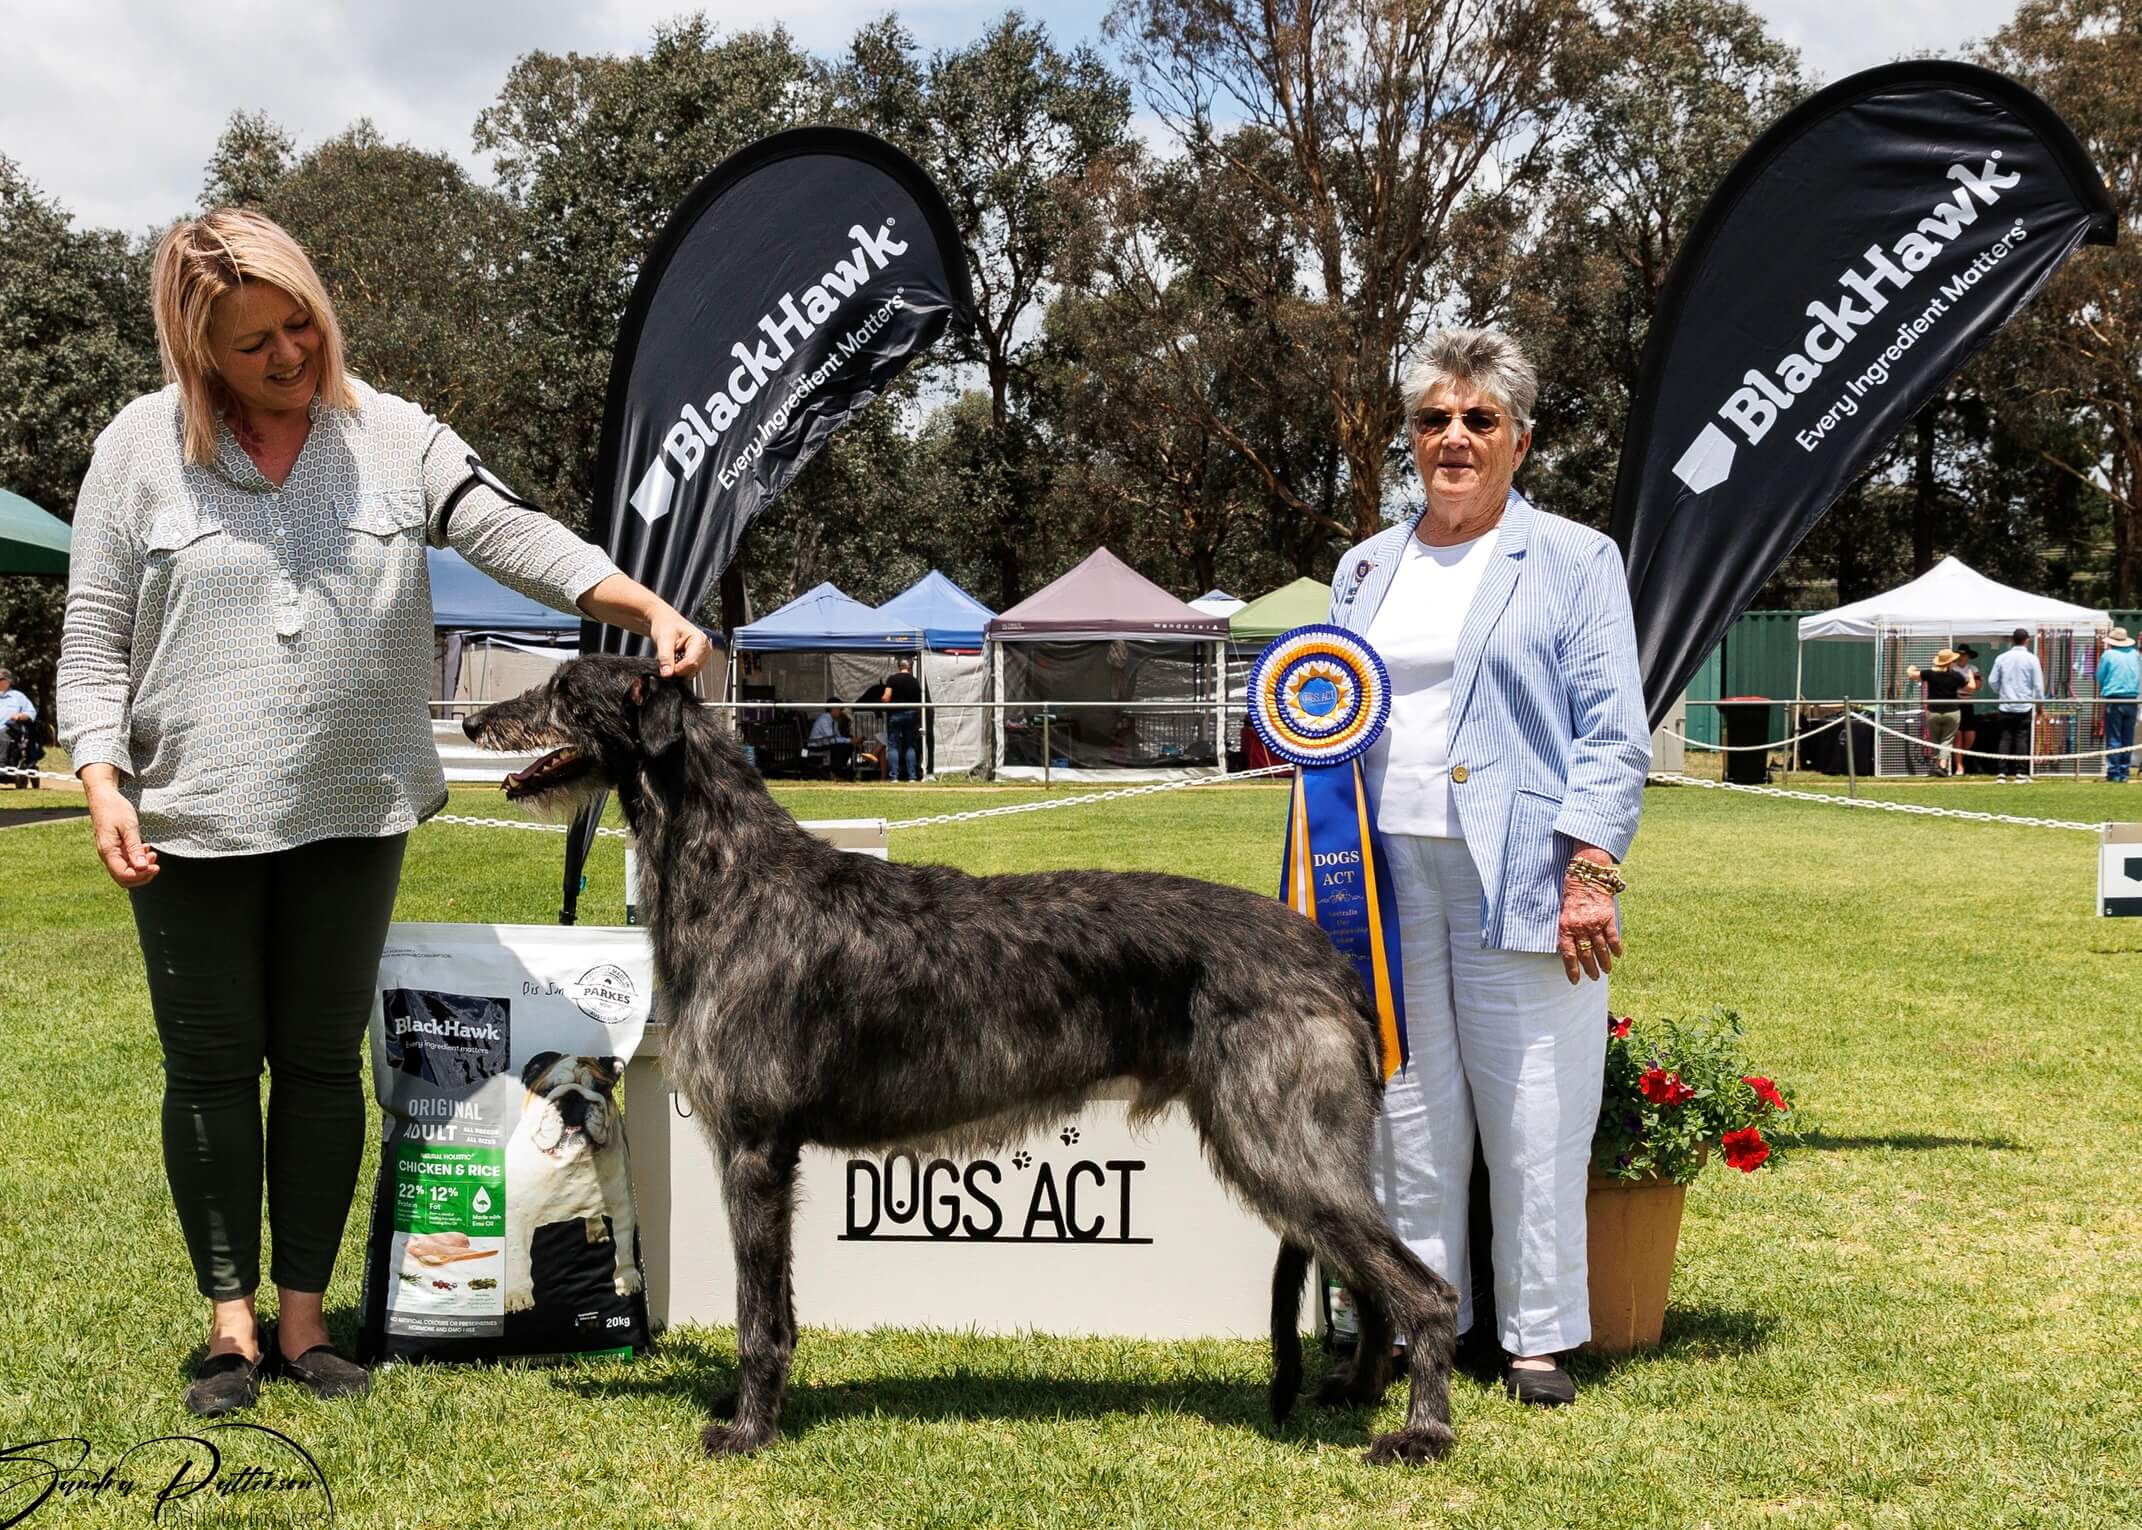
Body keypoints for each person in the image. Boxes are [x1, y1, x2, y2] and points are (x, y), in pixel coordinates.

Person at [57, 208, 711, 1418]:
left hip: (356, 808)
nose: (289, 354)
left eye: (300, 323)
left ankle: (306, 1322)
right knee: (210, 1068)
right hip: (189, 815)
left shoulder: (394, 433)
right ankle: (231, 1326)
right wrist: (101, 774)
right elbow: (94, 633)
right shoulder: (136, 449)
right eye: (253, 341)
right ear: (197, 347)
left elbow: (508, 530)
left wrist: (640, 605)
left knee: (318, 1067)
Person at [1327, 327, 1649, 1407]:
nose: (1454, 438)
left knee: (1535, 1109)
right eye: (1433, 419)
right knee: (1407, 1110)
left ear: (1520, 440)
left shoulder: (1575, 558)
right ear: (1411, 437)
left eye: (1479, 419)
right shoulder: (1364, 567)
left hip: (1523, 872)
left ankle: (1538, 1338)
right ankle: (1425, 1320)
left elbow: (1613, 733)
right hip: (1381, 877)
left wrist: (1591, 873)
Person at [1989, 628, 2046, 782]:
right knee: (2022, 738)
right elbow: (2038, 685)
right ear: (2027, 640)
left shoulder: (2001, 658)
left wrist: (2001, 691)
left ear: (2012, 640)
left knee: (2005, 738)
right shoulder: (2032, 659)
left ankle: (2002, 773)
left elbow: (1992, 681)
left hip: (2005, 705)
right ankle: (2020, 773)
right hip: (2024, 705)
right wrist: (2040, 705)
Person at [1904, 649, 1972, 776]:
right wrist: (1971, 676)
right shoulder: (1956, 676)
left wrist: (1911, 668)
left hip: (1933, 712)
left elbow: (1912, 674)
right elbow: (1970, 688)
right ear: (1951, 662)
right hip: (1952, 712)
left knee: (1934, 739)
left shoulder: (1929, 674)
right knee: (1947, 739)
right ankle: (1942, 766)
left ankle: (1938, 766)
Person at [2098, 628, 2138, 783]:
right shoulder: (2135, 654)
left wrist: (2104, 687)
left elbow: (2100, 676)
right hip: (2132, 699)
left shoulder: (2108, 655)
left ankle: (2114, 772)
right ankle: (2124, 771)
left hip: (2113, 698)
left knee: (2114, 737)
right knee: (2127, 737)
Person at [878, 657, 923, 782]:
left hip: (895, 714)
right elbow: (919, 702)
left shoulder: (892, 679)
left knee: (893, 746)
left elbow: (886, 698)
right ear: (910, 667)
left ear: (899, 666)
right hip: (911, 715)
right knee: (910, 746)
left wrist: (881, 699)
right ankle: (912, 776)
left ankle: (894, 776)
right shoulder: (915, 681)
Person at [0, 666, 38, 781]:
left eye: (0, 679)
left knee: (2, 735)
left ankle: (1, 767)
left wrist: (20, 716)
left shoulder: (18, 697)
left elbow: (31, 713)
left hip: (10, 729)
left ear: (8, 681)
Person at [1953, 644, 1982, 771]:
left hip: (1968, 703)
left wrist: (1968, 685)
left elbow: (1977, 686)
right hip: (1955, 703)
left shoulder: (1973, 668)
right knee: (1958, 736)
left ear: (1968, 656)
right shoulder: (1952, 668)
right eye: (1959, 654)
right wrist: (1968, 684)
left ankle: (1960, 758)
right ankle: (1959, 766)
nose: (1961, 657)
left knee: (1970, 735)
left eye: (1964, 654)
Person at [806, 703, 853, 777]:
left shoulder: (834, 721)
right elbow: (831, 739)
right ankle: (832, 772)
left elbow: (838, 737)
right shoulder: (824, 719)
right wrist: (849, 740)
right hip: (816, 746)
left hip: (824, 744)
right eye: (840, 709)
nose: (841, 712)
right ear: (833, 708)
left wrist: (850, 740)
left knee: (848, 745)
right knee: (841, 747)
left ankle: (839, 771)